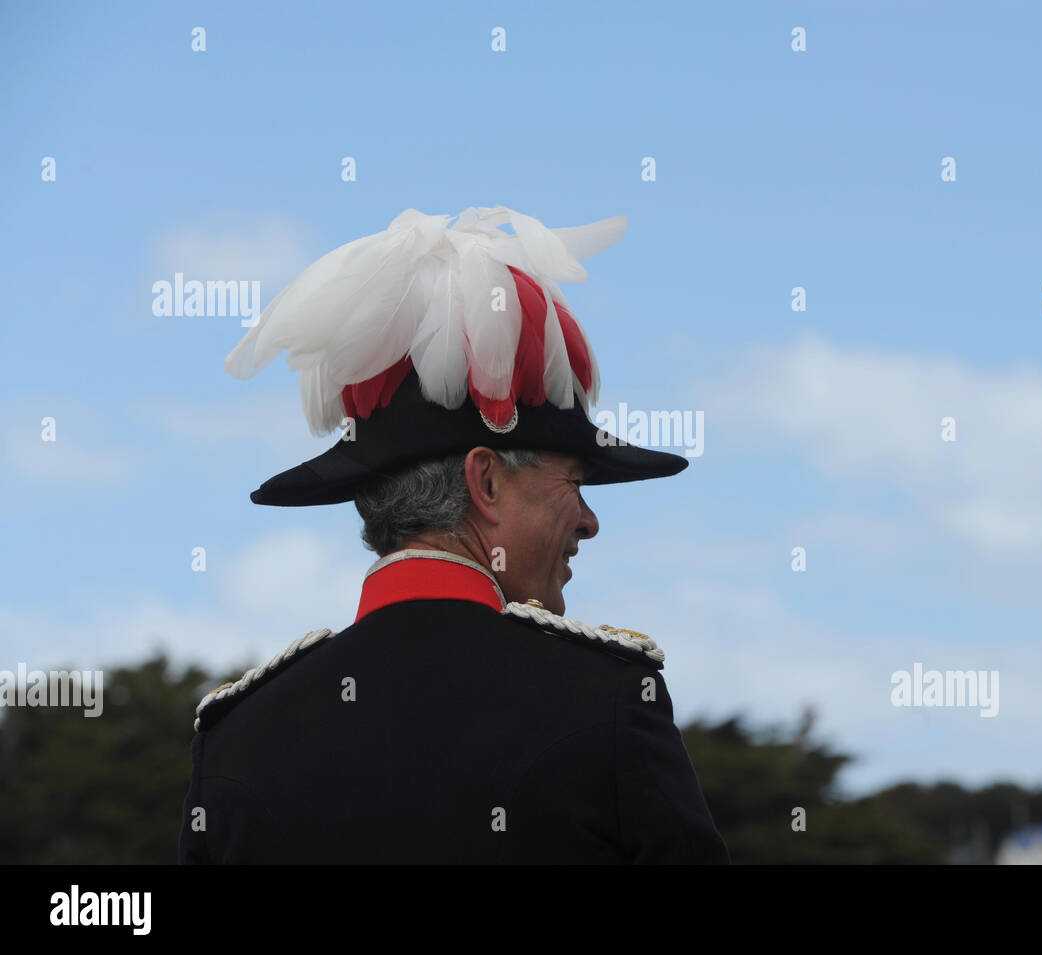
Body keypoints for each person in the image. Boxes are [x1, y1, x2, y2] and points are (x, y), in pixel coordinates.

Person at [177, 205, 729, 864]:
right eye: (573, 481)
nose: (589, 519)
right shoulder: (609, 703)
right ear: (487, 483)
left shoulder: (239, 736)